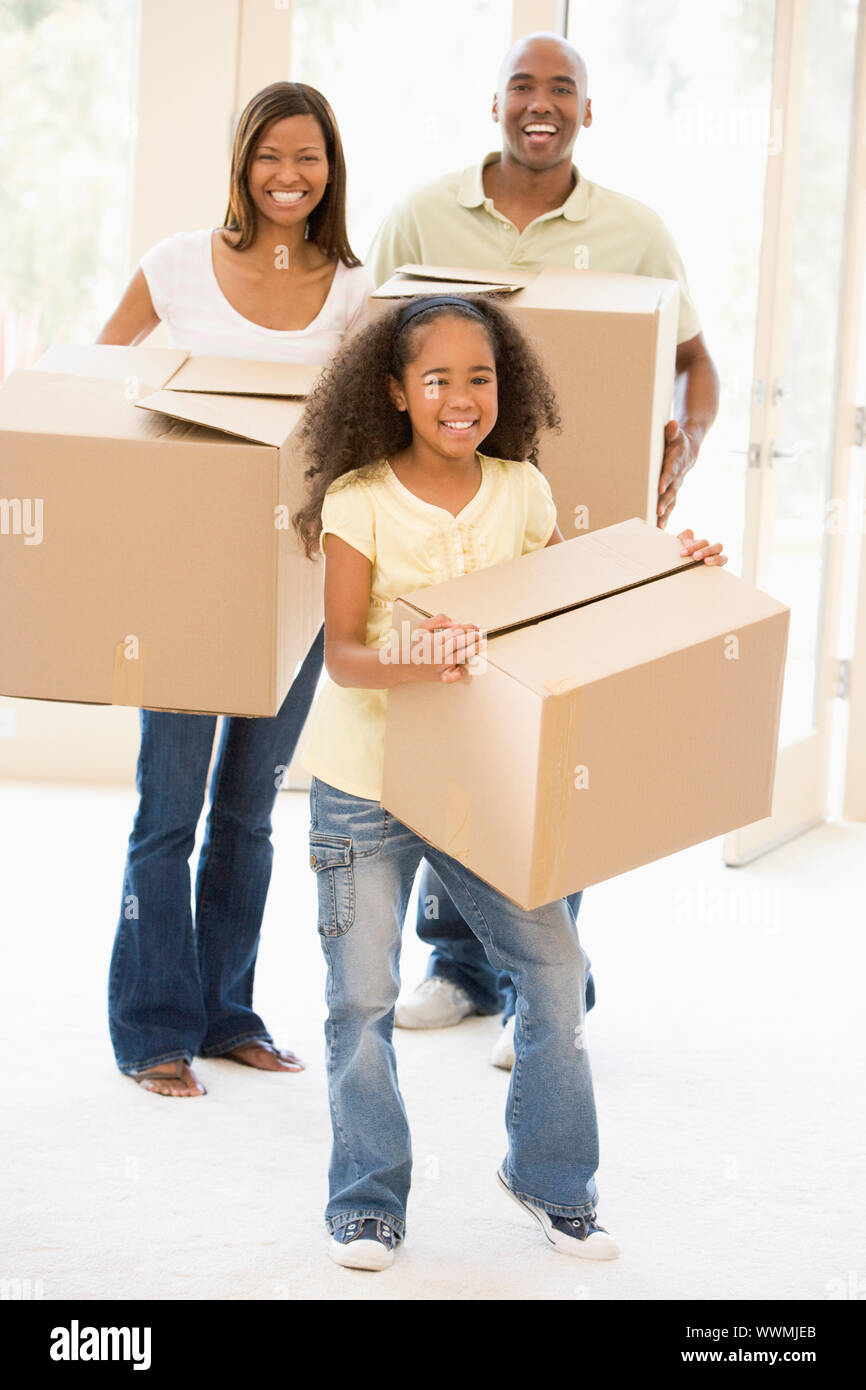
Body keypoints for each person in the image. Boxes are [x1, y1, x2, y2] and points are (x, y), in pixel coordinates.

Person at [291, 293, 726, 1269]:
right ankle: (365, 1200)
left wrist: (676, 563)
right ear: (396, 392)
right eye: (435, 377)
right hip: (362, 781)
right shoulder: (357, 496)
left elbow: (571, 606)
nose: (459, 396)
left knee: (553, 971)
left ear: (504, 388)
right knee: (360, 999)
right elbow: (347, 658)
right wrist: (423, 653)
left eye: (478, 377)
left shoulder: (521, 489)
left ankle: (550, 1180)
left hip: (478, 781)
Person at [366, 32, 721, 1058]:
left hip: (577, 534)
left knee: (559, 752)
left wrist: (682, 446)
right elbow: (363, 351)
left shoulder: (633, 231)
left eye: (560, 88)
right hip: (444, 525)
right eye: (522, 85)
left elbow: (697, 366)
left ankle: (544, 986)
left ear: (585, 112)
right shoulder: (422, 217)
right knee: (454, 743)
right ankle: (460, 966)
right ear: (493, 104)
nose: (540, 103)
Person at [98, 81, 374, 1097]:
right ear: (240, 163)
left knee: (250, 807)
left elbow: (363, 436)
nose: (288, 176)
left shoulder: (351, 288)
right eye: (270, 156)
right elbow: (100, 385)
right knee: (166, 808)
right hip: (181, 574)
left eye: (309, 158)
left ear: (330, 170)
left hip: (295, 579)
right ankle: (151, 1027)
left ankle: (226, 1011)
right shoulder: (175, 265)